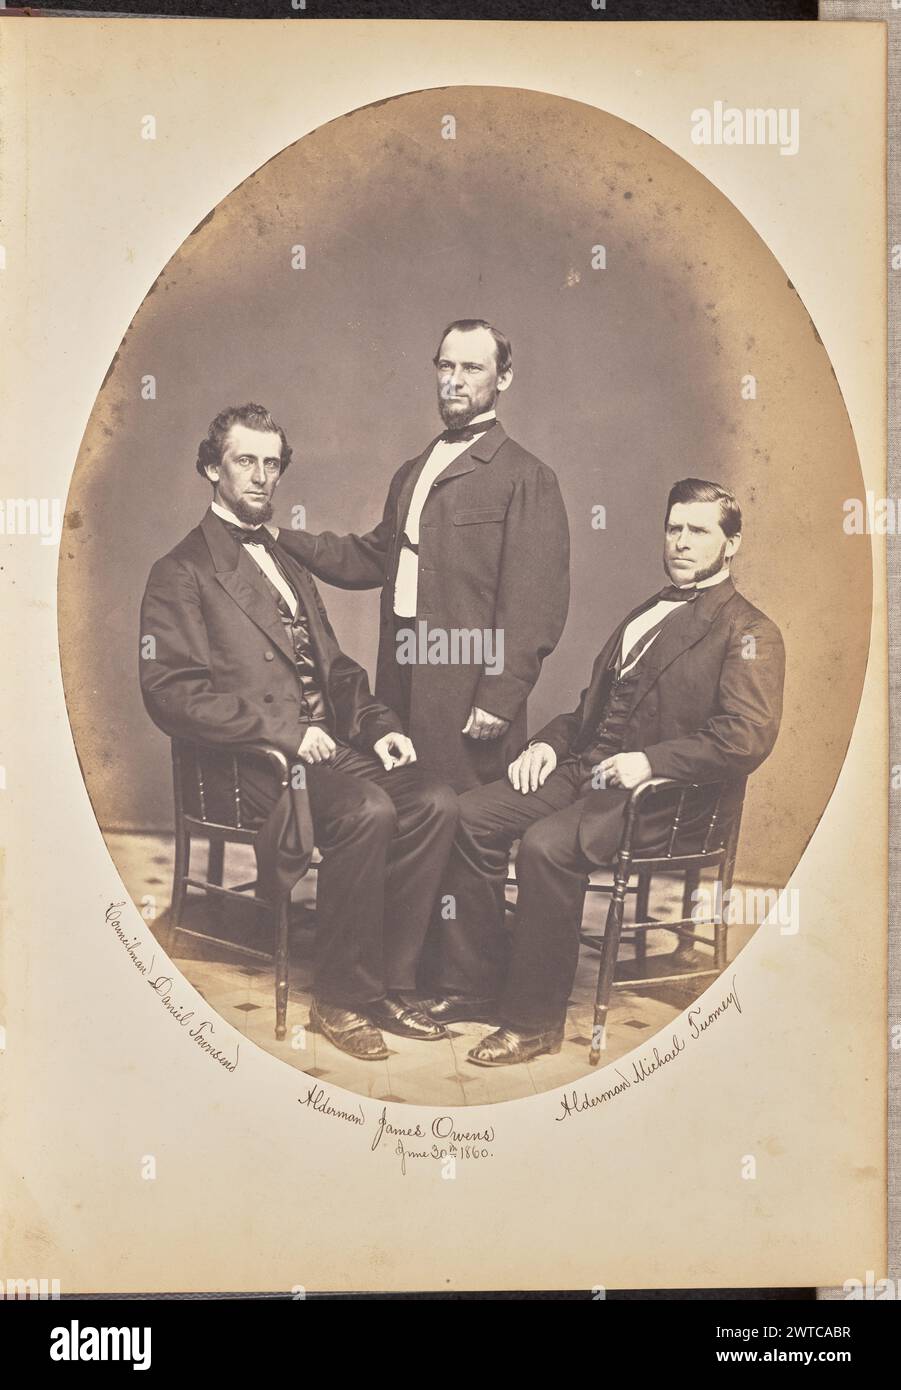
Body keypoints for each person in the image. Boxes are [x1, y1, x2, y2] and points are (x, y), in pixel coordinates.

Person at [423, 478, 786, 1066]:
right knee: (468, 815)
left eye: (699, 531)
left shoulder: (749, 632)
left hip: (662, 802)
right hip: (587, 772)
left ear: (732, 543)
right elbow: (593, 709)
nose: (682, 543)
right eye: (674, 529)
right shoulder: (646, 611)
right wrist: (545, 744)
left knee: (545, 847)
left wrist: (651, 762)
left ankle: (533, 1020)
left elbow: (745, 736)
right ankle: (473, 984)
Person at [139, 404, 458, 1062]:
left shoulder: (286, 560)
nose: (260, 476)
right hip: (250, 769)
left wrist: (378, 728)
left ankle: (391, 983)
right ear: (210, 468)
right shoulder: (181, 571)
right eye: (243, 461)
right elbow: (170, 693)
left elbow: (337, 673)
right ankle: (342, 997)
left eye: (271, 463)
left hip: (328, 755)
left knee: (433, 798)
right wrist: (285, 734)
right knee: (367, 810)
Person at [276, 319, 570, 790]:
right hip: (401, 671)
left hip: (470, 679)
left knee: (464, 827)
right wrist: (279, 537)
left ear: (504, 378)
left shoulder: (527, 477)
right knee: (407, 812)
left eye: (473, 367)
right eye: (446, 365)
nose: (455, 379)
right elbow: (372, 557)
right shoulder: (412, 471)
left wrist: (500, 696)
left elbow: (535, 607)